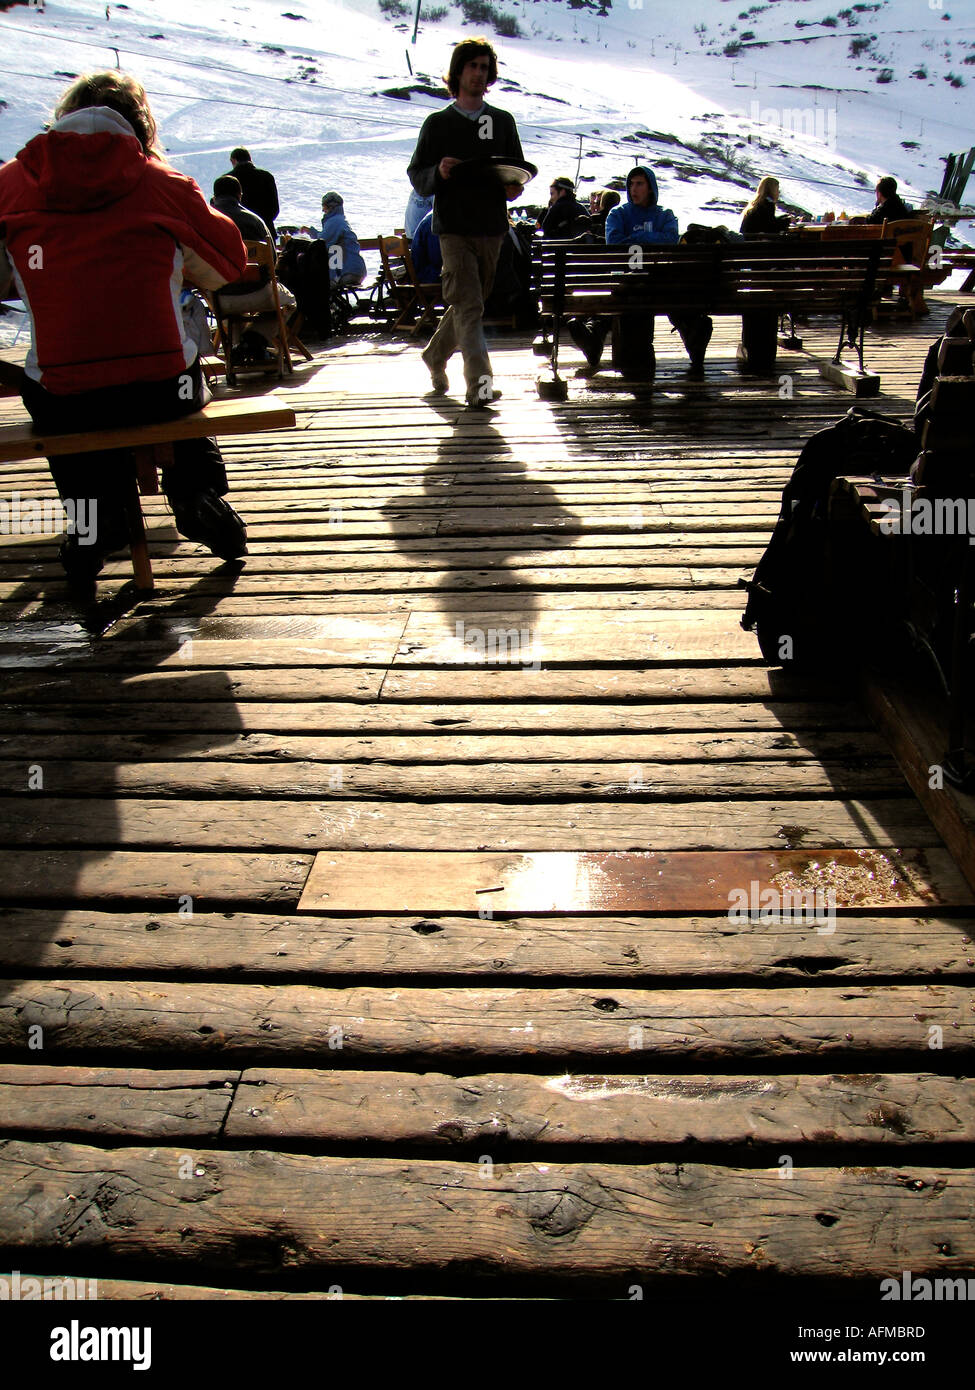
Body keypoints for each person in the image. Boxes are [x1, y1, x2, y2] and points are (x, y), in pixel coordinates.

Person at [0, 71, 249, 589]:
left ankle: (94, 520)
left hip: (67, 395)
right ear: (141, 127)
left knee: (53, 393)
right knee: (185, 380)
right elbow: (228, 265)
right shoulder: (164, 186)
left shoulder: (10, 185)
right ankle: (198, 491)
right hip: (160, 387)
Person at [407, 37, 525, 407]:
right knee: (470, 306)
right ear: (458, 72)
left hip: (492, 228)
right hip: (453, 229)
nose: (479, 73)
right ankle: (480, 386)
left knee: (467, 305)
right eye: (473, 66)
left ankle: (434, 354)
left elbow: (516, 172)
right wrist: (438, 172)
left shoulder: (502, 121)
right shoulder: (438, 123)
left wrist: (513, 188)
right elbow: (417, 172)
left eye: (485, 67)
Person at [604, 164, 712, 380]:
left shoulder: (664, 214)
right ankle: (692, 330)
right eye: (631, 184)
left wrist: (635, 238)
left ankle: (692, 332)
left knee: (662, 292)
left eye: (640, 184)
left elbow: (670, 239)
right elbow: (614, 242)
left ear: (651, 188)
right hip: (631, 281)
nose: (634, 189)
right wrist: (650, 238)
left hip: (657, 281)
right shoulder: (619, 213)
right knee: (649, 295)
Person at [210, 175, 296, 363]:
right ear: (240, 195)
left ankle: (238, 346)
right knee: (290, 302)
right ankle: (254, 338)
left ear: (214, 196)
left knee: (228, 316)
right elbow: (272, 262)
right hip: (259, 293)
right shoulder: (255, 220)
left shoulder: (206, 222)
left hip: (221, 298)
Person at [224, 147, 279, 238]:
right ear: (250, 159)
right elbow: (274, 209)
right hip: (266, 233)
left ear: (233, 160)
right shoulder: (266, 177)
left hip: (237, 235)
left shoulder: (227, 180)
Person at [317, 192, 367, 285]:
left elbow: (321, 242)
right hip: (357, 270)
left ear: (330, 207)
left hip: (347, 272)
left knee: (321, 285)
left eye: (324, 206)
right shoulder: (341, 220)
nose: (323, 210)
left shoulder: (335, 221)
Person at [410, 209, 442, 284]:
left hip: (427, 271)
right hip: (428, 275)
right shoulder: (434, 222)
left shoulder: (432, 217)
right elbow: (437, 259)